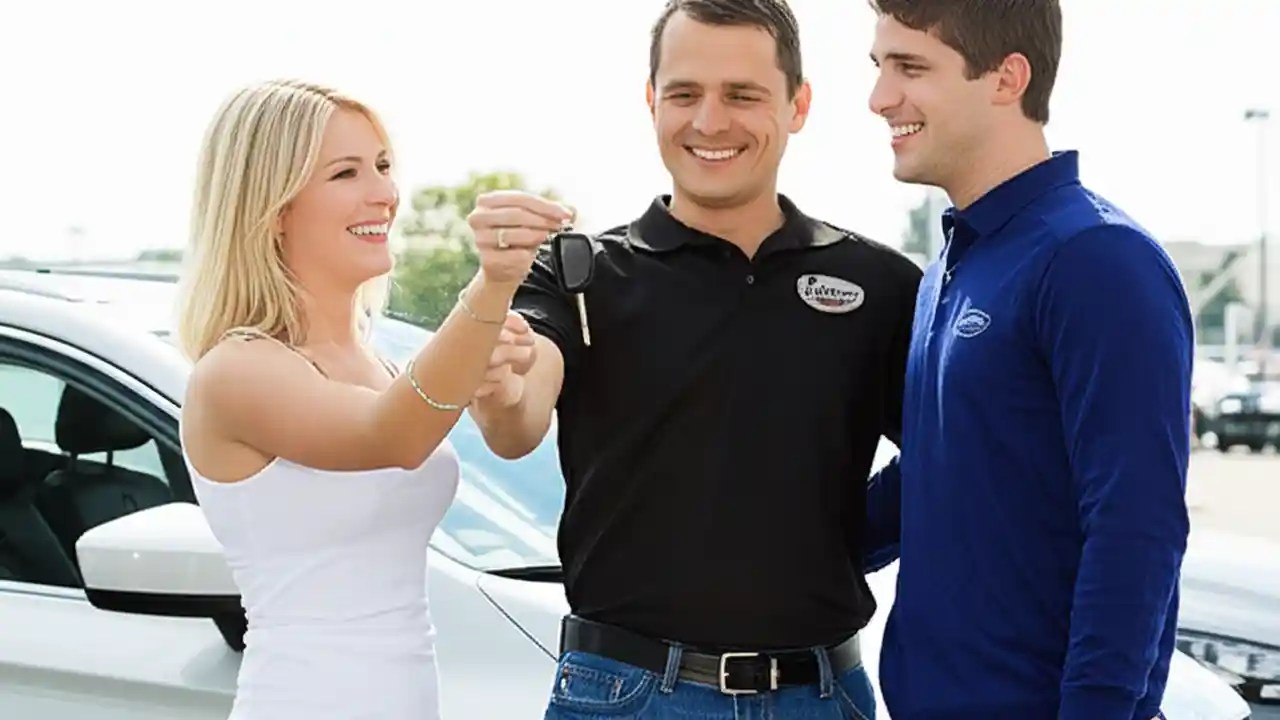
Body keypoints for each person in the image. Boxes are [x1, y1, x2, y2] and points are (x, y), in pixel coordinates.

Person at [467, 1, 921, 717]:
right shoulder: (578, 271)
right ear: (652, 103)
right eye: (684, 94)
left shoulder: (882, 285)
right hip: (629, 696)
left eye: (742, 95)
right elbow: (514, 421)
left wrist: (841, 546)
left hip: (825, 695)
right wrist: (493, 376)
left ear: (798, 105)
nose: (710, 121)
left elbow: (950, 457)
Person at [175, 78, 568, 719]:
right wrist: (491, 286)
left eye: (383, 167)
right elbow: (395, 437)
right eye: (346, 173)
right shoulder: (237, 369)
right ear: (273, 208)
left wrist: (495, 378)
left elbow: (509, 436)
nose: (384, 193)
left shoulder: (380, 362)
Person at [862, 2, 1194, 719]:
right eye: (880, 67)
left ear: (1008, 77)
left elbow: (1136, 526)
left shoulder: (1097, 259)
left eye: (910, 67)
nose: (880, 98)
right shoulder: (949, 265)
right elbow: (938, 476)